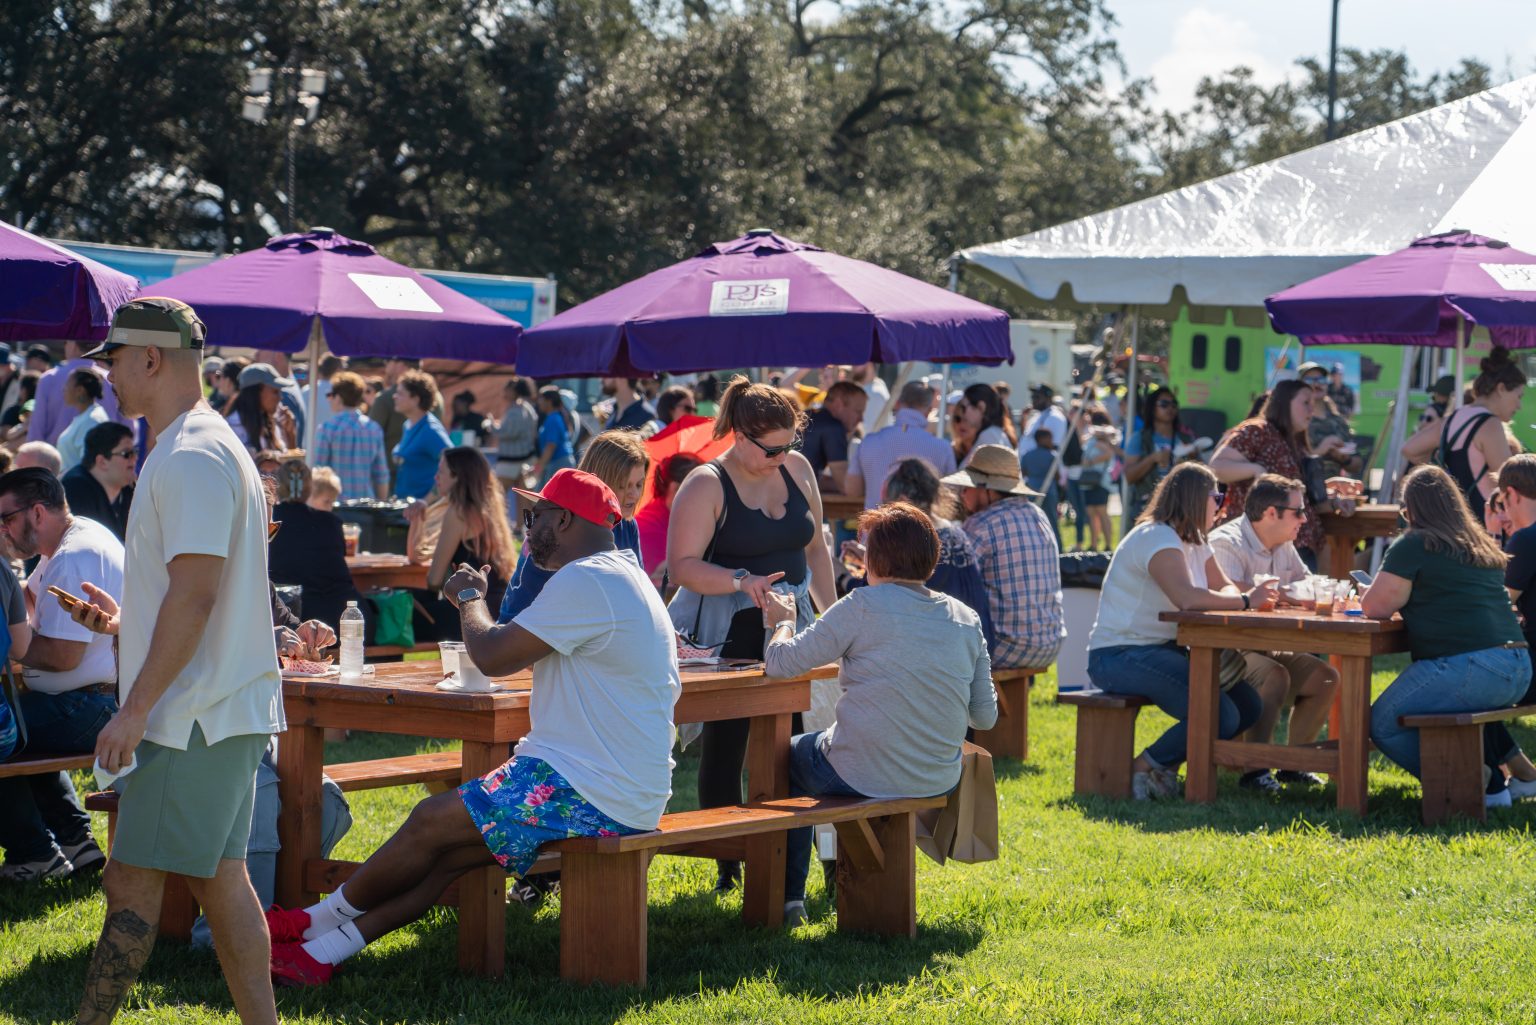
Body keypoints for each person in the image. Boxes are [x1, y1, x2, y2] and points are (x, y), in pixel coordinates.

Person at [264, 468, 680, 986]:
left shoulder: (588, 578)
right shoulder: (624, 573)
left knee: (430, 821)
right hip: (621, 784)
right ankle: (320, 953)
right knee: (449, 855)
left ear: (566, 518)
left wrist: (468, 597)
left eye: (536, 516)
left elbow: (490, 656)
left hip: (594, 786)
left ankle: (307, 924)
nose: (528, 528)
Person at [74, 296, 282, 1025]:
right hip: (217, 707)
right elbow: (196, 595)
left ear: (151, 358)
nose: (109, 379)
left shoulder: (190, 453)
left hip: (187, 715)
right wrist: (125, 622)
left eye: (114, 362)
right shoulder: (206, 444)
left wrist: (134, 708)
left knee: (130, 883)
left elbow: (196, 597)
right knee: (222, 882)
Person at [763, 502, 995, 925]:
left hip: (863, 770)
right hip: (937, 774)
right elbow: (985, 718)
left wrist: (782, 620)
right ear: (931, 557)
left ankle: (789, 897)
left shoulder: (862, 605)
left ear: (873, 560)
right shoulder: (965, 618)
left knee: (782, 756)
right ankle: (831, 869)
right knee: (823, 755)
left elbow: (781, 664)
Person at [665, 375, 837, 894]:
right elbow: (681, 568)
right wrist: (742, 582)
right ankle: (729, 864)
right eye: (772, 450)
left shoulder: (799, 469)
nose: (783, 457)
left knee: (805, 741)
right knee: (726, 747)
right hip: (727, 632)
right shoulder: (706, 483)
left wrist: (832, 619)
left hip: (796, 624)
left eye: (790, 445)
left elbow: (816, 551)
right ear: (739, 436)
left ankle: (806, 864)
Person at [1087, 463, 1274, 799]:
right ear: (1193, 499)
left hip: (1159, 650)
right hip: (1120, 655)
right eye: (1217, 496)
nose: (1220, 503)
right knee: (1222, 713)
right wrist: (1246, 601)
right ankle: (1140, 767)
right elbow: (1187, 599)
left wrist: (1236, 598)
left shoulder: (1194, 541)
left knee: (1248, 706)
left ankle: (1164, 768)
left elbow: (1224, 588)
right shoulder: (1157, 536)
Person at [1362, 464, 1529, 794]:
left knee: (1380, 723)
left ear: (1412, 509)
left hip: (1472, 666)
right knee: (1450, 709)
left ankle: (1468, 781)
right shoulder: (1478, 543)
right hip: (1519, 667)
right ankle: (1494, 780)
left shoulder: (1415, 544)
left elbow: (1375, 607)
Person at [0, 467, 123, 881]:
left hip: (90, 705)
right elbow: (31, 601)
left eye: (6, 519)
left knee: (4, 735)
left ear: (36, 513)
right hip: (87, 701)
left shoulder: (74, 555)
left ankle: (33, 854)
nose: (3, 529)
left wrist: (10, 649)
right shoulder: (71, 540)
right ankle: (76, 844)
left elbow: (63, 656)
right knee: (19, 728)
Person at [1208, 474, 1340, 793]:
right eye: (1298, 512)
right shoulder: (1226, 542)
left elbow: (1307, 585)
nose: (1305, 518)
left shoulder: (1283, 544)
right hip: (1223, 651)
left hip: (1267, 646)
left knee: (1325, 678)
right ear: (1270, 513)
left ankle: (1293, 766)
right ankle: (1255, 771)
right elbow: (1226, 596)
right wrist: (1289, 595)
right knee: (1274, 676)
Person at [841, 458, 996, 654]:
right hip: (977, 645)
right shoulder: (955, 533)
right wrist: (868, 556)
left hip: (940, 653)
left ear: (904, 502)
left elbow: (875, 598)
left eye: (887, 506)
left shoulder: (912, 544)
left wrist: (841, 575)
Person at [499, 430, 648, 621]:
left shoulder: (628, 526)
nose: (634, 494)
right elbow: (516, 613)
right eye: (623, 485)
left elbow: (638, 594)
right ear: (599, 482)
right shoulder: (557, 531)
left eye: (639, 484)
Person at [942, 444, 1063, 671]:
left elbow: (953, 582)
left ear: (986, 489)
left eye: (967, 487)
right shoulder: (1038, 514)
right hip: (1050, 642)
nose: (962, 493)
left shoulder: (981, 524)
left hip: (1005, 647)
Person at [1210, 379, 1346, 568]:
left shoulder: (1294, 441)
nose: (1311, 411)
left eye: (1313, 405)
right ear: (1284, 402)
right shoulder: (1257, 430)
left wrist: (1332, 496)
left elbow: (1299, 493)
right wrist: (1256, 470)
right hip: (1256, 546)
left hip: (1294, 545)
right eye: (1305, 403)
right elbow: (1218, 466)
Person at [1401, 347, 1525, 521]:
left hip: (1452, 520)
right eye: (1519, 396)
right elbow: (1512, 483)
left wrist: (1438, 474)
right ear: (1501, 388)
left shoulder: (1454, 418)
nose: (1519, 406)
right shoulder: (1490, 424)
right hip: (1484, 523)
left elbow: (1409, 449)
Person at [411, 448, 515, 638]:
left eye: (441, 471)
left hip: (472, 614)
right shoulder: (488, 510)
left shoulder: (458, 513)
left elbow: (433, 581)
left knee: (393, 618)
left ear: (457, 477)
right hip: (496, 608)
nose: (436, 477)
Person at [1484, 455, 1536, 802]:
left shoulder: (1526, 540)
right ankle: (1524, 774)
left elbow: (1496, 605)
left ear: (1511, 494)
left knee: (1461, 683)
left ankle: (1491, 788)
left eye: (1502, 503)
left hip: (1532, 671)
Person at [267, 459, 365, 631]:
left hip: (298, 620)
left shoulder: (270, 522)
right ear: (309, 489)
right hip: (341, 615)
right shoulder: (330, 522)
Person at [844, 380, 954, 510]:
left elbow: (853, 490)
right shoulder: (943, 448)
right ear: (929, 410)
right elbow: (951, 496)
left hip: (875, 527)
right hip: (924, 528)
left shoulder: (869, 442)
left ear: (897, 403)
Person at [27, 339, 127, 446]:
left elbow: (36, 433)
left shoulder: (48, 379)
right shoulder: (113, 381)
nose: (64, 390)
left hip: (56, 458)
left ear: (72, 344)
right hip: (105, 458)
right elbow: (128, 429)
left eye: (65, 342)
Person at [1122, 386, 1199, 519]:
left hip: (1178, 508)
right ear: (1152, 408)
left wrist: (1193, 461)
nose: (1170, 408)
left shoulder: (1186, 439)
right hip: (1147, 509)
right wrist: (1152, 459)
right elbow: (1129, 477)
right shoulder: (1140, 438)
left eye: (1174, 404)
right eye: (1164, 404)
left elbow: (1200, 478)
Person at [313, 370, 389, 501]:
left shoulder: (327, 428)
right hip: (367, 505)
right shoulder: (374, 428)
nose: (329, 399)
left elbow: (318, 472)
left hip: (334, 503)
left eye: (330, 395)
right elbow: (381, 475)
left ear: (339, 398)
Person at [61, 422, 136, 541]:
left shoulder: (129, 490)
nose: (135, 458)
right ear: (102, 461)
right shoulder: (76, 488)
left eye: (135, 451)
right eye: (126, 454)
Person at [636, 453, 702, 582]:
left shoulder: (687, 517)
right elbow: (660, 573)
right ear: (675, 488)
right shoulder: (647, 524)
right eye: (697, 491)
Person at [391, 369, 452, 500]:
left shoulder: (431, 430)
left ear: (416, 399)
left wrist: (426, 501)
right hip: (406, 509)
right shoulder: (407, 425)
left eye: (400, 393)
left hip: (425, 513)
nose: (394, 396)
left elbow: (455, 465)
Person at [801, 380, 866, 494]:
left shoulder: (805, 416)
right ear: (838, 404)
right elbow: (846, 487)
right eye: (858, 411)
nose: (861, 419)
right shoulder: (834, 427)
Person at [229, 363, 299, 454]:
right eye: (275, 392)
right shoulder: (234, 426)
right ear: (255, 393)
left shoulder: (270, 422)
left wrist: (290, 434)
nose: (280, 397)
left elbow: (289, 464)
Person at [54, 368, 110, 470]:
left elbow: (89, 466)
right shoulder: (87, 417)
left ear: (80, 390)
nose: (64, 389)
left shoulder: (92, 421)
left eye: (67, 385)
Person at [950, 383, 1017, 467]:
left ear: (981, 407)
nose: (962, 414)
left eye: (964, 407)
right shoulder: (994, 433)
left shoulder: (989, 436)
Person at [1019, 427, 1063, 547]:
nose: (1051, 441)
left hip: (1031, 490)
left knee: (1033, 521)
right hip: (1049, 491)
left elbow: (1023, 473)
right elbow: (1057, 476)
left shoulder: (1027, 455)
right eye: (1049, 438)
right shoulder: (1051, 455)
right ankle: (1057, 547)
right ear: (1041, 439)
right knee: (1052, 521)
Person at [493, 377, 539, 489]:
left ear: (513, 390)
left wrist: (491, 426)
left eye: (507, 389)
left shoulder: (516, 409)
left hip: (511, 462)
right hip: (526, 460)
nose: (504, 391)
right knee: (526, 502)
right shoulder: (526, 407)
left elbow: (509, 432)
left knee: (496, 497)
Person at [1079, 416, 1116, 550]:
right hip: (1089, 482)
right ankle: (1093, 544)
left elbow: (1109, 454)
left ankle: (1107, 545)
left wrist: (1091, 462)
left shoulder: (1102, 442)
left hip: (1100, 482)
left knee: (1102, 512)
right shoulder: (1090, 440)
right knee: (1091, 513)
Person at [532, 385, 576, 487]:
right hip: (558, 463)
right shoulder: (553, 417)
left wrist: (539, 468)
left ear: (549, 401)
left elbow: (551, 446)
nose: (539, 402)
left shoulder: (553, 419)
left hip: (559, 463)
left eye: (541, 399)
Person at [1019, 385, 1069, 454]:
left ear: (1048, 399)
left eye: (1037, 397)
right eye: (1032, 397)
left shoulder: (1054, 417)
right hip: (1028, 462)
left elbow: (1053, 448)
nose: (1033, 400)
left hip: (1039, 463)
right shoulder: (1037, 416)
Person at [303, 353, 347, 423]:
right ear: (338, 370)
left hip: (308, 433)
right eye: (343, 369)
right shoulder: (343, 393)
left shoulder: (306, 390)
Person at [848, 363, 890, 434]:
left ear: (869, 364)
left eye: (857, 361)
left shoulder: (874, 394)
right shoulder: (873, 388)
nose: (853, 365)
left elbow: (867, 434)